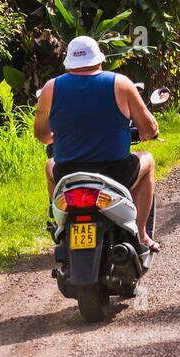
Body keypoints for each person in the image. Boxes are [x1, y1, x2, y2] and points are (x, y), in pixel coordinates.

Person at [33, 35, 161, 252]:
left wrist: (60, 136)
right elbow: (149, 130)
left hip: (68, 173)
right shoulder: (120, 84)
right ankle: (141, 234)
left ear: (68, 64)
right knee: (147, 160)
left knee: (49, 165)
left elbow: (42, 134)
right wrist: (150, 132)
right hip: (116, 173)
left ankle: (61, 225)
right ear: (100, 60)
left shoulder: (50, 88)